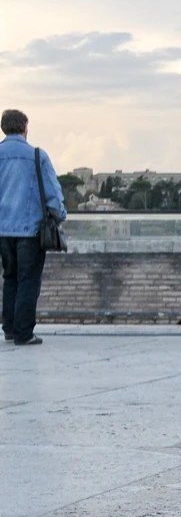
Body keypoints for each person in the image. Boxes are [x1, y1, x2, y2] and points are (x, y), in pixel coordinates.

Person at [0, 109, 67, 346]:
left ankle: (8, 328)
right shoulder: (37, 156)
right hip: (30, 231)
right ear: (25, 127)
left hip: (2, 231)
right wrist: (60, 216)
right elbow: (52, 193)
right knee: (28, 280)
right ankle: (23, 333)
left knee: (10, 277)